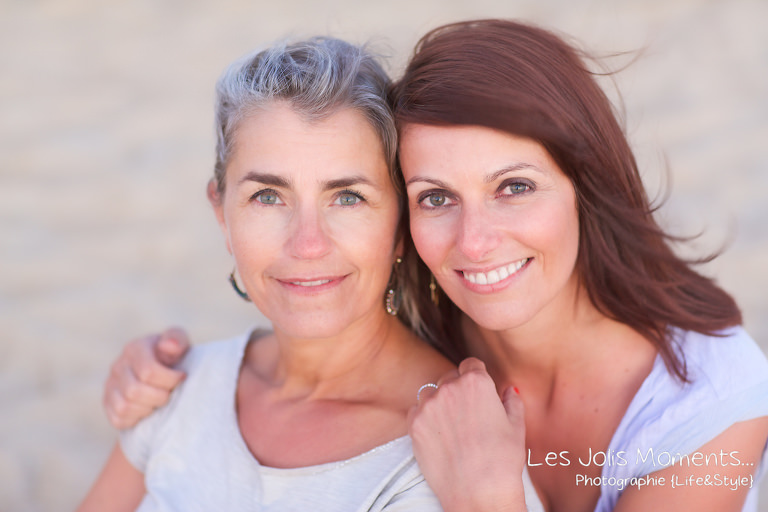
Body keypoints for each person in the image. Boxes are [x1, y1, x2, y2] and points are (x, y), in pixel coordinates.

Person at [102, 20, 768, 512]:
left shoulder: (712, 399)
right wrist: (164, 374)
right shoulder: (436, 318)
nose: (474, 243)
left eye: (514, 186)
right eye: (437, 197)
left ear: (584, 185)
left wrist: (488, 500)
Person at [77, 36, 466, 512]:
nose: (307, 245)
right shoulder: (173, 389)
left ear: (400, 226)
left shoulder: (457, 448)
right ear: (222, 215)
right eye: (267, 196)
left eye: (348, 197)